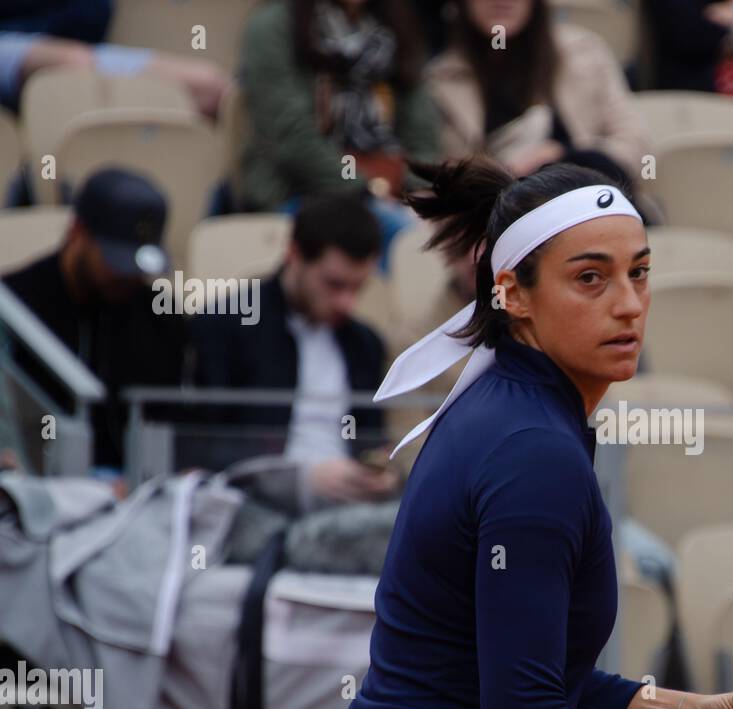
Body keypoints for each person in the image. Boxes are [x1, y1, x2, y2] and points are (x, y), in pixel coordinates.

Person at [242, 157, 733, 709]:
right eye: (590, 277)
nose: (629, 302)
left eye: (638, 272)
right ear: (513, 293)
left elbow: (506, 670)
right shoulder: (533, 453)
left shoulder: (503, 416)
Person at [188, 192, 396, 504]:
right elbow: (202, 446)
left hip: (350, 505)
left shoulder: (364, 345)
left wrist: (382, 472)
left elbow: (369, 441)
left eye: (358, 288)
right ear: (294, 254)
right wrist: (300, 480)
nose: (347, 302)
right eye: (335, 285)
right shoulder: (227, 326)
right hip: (256, 502)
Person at [0, 168, 184, 489]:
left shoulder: (160, 319)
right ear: (77, 233)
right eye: (117, 262)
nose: (129, 278)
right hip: (37, 492)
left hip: (134, 500)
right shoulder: (14, 306)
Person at [235, 0, 439, 264]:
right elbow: (291, 136)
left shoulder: (397, 23)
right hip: (302, 194)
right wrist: (368, 192)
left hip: (391, 187)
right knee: (402, 239)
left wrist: (418, 190)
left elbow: (422, 136)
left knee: (452, 237)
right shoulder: (274, 25)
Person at [426, 0, 650, 183]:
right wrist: (505, 172)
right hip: (496, 219)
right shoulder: (440, 79)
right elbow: (436, 177)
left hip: (592, 200)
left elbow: (634, 146)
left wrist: (560, 155)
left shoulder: (584, 52)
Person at [0, 0, 228, 117]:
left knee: (209, 87)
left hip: (79, 47)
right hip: (14, 40)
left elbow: (95, 14)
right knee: (71, 68)